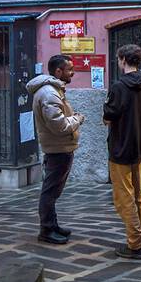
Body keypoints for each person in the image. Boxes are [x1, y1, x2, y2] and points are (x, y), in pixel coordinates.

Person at [104, 44, 141, 260]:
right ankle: (139, 235)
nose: (118, 62)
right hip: (140, 147)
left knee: (122, 197)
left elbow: (109, 116)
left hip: (120, 147)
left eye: (118, 59)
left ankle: (135, 243)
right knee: (137, 195)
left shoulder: (119, 87)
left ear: (124, 59)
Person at [28, 55, 85, 245]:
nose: (73, 72)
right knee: (50, 191)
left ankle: (52, 225)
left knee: (52, 191)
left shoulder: (53, 91)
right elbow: (59, 125)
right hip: (58, 149)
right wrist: (77, 119)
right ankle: (46, 229)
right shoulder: (49, 94)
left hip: (59, 147)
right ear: (58, 71)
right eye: (70, 69)